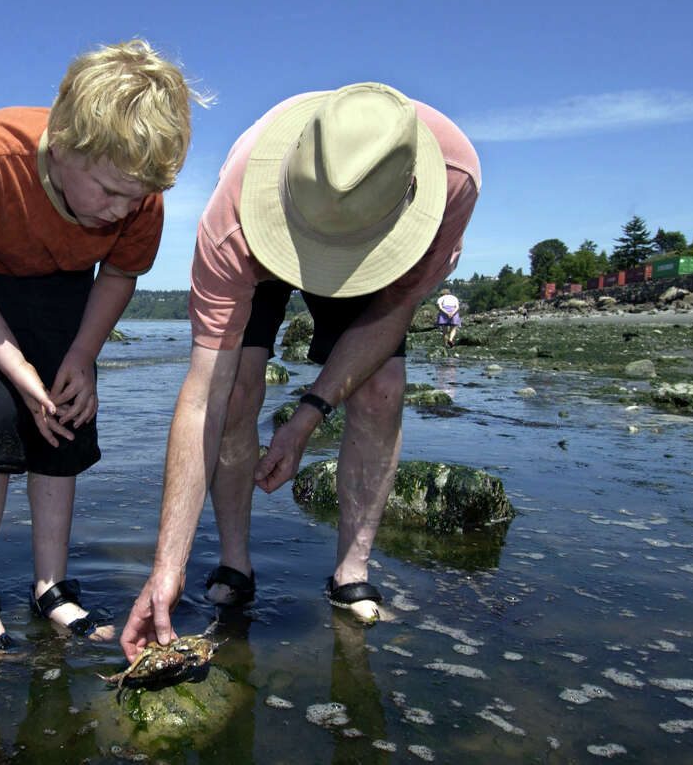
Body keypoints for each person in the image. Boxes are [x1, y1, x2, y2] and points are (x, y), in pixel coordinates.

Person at [120, 83, 480, 660]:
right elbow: (201, 399)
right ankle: (234, 563)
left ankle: (351, 570)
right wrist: (167, 568)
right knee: (236, 391)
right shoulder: (231, 219)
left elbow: (392, 315)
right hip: (271, 228)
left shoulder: (455, 177)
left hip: (377, 246)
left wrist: (306, 418)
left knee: (382, 389)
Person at [0, 40, 205, 654]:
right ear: (67, 141)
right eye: (109, 191)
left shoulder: (137, 190)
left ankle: (50, 586)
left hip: (71, 288)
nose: (122, 210)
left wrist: (81, 356)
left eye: (137, 198)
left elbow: (120, 274)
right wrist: (14, 364)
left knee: (64, 420)